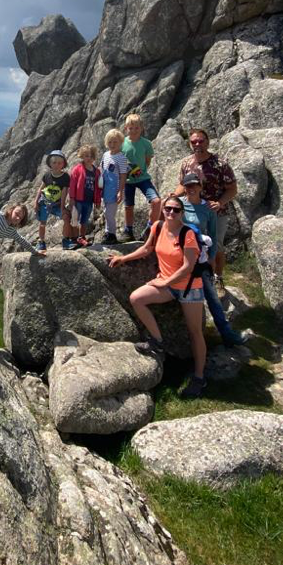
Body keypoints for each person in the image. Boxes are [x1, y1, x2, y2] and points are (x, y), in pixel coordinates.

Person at [108, 193, 208, 399]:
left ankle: (199, 377)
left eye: (176, 210)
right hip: (168, 285)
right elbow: (147, 248)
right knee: (137, 298)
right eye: (167, 209)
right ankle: (158, 342)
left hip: (189, 287)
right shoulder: (158, 227)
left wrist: (165, 282)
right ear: (163, 210)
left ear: (182, 213)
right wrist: (123, 258)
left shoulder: (187, 234)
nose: (171, 212)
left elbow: (188, 266)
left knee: (195, 332)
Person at [180, 172, 246, 347]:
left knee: (212, 299)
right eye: (188, 186)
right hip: (181, 259)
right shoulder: (178, 206)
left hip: (201, 260)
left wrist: (210, 259)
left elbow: (214, 236)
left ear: (201, 187)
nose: (191, 189)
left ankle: (227, 334)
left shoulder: (207, 209)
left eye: (194, 185)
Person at [176, 127, 237, 296]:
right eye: (193, 141)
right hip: (194, 210)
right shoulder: (187, 163)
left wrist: (220, 203)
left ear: (208, 142)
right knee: (192, 243)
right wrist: (174, 196)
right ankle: (196, 276)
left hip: (217, 212)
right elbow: (183, 183)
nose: (197, 144)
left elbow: (232, 189)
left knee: (215, 246)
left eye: (201, 141)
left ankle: (218, 278)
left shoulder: (220, 164)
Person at [121, 114, 161, 241]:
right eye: (131, 128)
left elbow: (147, 161)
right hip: (127, 180)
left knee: (156, 202)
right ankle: (128, 231)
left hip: (143, 178)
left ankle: (149, 229)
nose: (133, 130)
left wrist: (139, 171)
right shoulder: (122, 143)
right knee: (128, 206)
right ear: (126, 128)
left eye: (136, 128)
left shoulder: (146, 144)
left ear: (141, 128)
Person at [34, 150, 73, 251]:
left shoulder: (65, 177)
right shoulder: (47, 175)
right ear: (50, 164)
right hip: (45, 203)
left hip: (57, 205)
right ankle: (41, 242)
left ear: (63, 164)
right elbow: (41, 188)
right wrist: (36, 202)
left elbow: (64, 193)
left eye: (59, 163)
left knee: (66, 218)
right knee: (42, 223)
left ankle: (65, 240)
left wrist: (62, 208)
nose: (56, 165)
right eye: (54, 162)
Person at [99, 130, 129, 244]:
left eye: (115, 142)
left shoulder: (121, 158)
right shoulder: (105, 155)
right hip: (105, 188)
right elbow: (101, 168)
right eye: (110, 142)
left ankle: (112, 234)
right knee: (106, 211)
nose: (112, 145)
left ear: (120, 142)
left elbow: (123, 176)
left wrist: (120, 191)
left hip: (114, 189)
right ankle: (108, 233)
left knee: (109, 213)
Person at [68, 144, 102, 247]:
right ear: (82, 156)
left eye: (91, 156)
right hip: (78, 199)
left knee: (85, 220)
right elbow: (72, 184)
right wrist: (72, 198)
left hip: (89, 200)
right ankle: (73, 238)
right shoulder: (77, 169)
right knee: (75, 219)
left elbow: (98, 188)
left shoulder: (96, 171)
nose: (89, 158)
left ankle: (81, 237)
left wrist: (97, 201)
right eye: (86, 156)